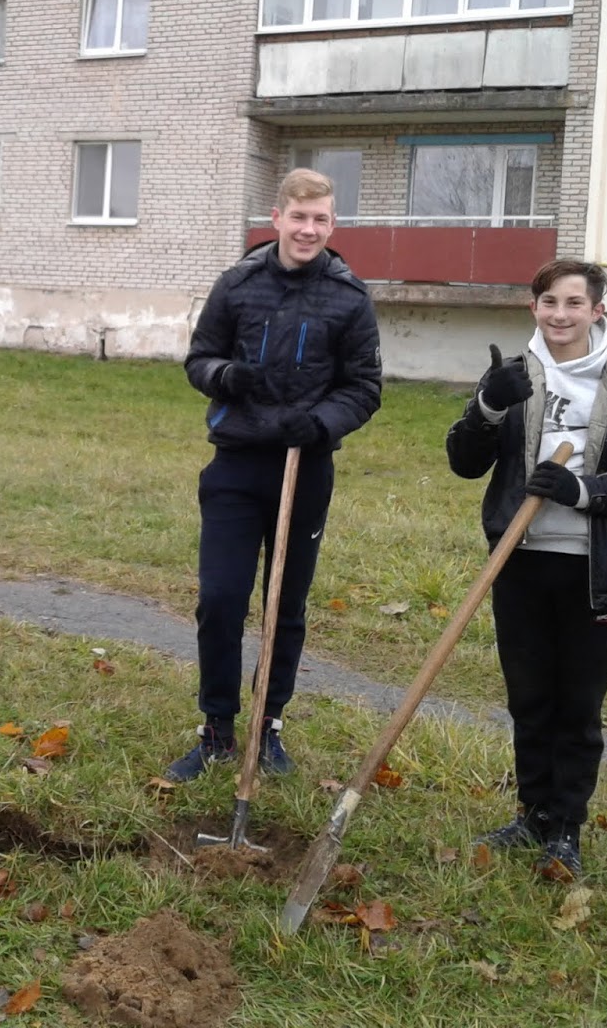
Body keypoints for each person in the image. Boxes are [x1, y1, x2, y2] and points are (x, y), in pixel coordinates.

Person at [446, 259, 607, 879]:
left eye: (574, 303)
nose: (560, 314)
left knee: (577, 706)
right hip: (519, 560)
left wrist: (583, 491)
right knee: (529, 698)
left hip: (593, 569)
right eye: (549, 301)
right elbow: (464, 462)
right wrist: (487, 407)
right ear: (534, 308)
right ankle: (532, 814)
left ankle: (566, 827)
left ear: (596, 311)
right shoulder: (512, 376)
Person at [165, 168, 383, 782]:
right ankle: (217, 729)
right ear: (278, 218)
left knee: (284, 605)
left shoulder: (349, 297)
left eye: (321, 219)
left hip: (304, 468)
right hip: (236, 465)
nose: (309, 230)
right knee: (221, 599)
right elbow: (199, 359)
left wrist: (319, 424)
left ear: (332, 224)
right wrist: (226, 377)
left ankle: (268, 725)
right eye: (299, 217)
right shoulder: (237, 284)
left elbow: (364, 387)